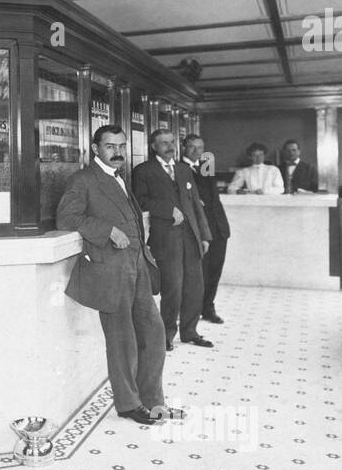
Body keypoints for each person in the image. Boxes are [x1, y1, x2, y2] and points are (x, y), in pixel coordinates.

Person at [56, 125, 180, 424]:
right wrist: (106, 230)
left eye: (121, 146)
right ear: (96, 148)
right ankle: (128, 404)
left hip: (136, 264)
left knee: (153, 331)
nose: (118, 152)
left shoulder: (119, 178)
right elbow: (66, 217)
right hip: (109, 269)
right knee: (122, 338)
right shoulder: (84, 179)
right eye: (110, 146)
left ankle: (153, 401)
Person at [132, 128, 213, 350]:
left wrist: (204, 235)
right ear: (153, 146)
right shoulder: (143, 171)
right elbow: (140, 200)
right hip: (166, 238)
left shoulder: (184, 169)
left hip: (191, 236)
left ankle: (190, 331)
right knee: (172, 288)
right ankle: (166, 335)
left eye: (171, 142)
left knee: (195, 287)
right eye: (164, 143)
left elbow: (196, 203)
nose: (170, 146)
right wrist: (168, 210)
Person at [181, 134, 229, 325]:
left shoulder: (206, 168)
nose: (196, 151)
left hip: (218, 226)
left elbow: (212, 199)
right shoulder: (178, 169)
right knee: (198, 273)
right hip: (198, 229)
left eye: (200, 147)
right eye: (192, 147)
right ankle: (190, 312)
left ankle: (208, 308)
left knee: (215, 270)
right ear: (184, 148)